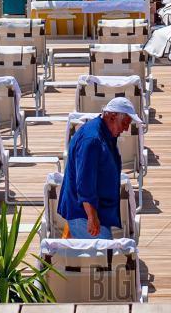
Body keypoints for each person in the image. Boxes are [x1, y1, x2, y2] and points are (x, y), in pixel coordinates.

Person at [57, 97, 140, 239]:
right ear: (112, 116)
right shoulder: (93, 139)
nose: (126, 128)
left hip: (91, 214)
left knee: (104, 258)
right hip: (85, 216)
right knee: (103, 259)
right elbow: (84, 182)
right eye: (125, 122)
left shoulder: (103, 134)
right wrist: (92, 217)